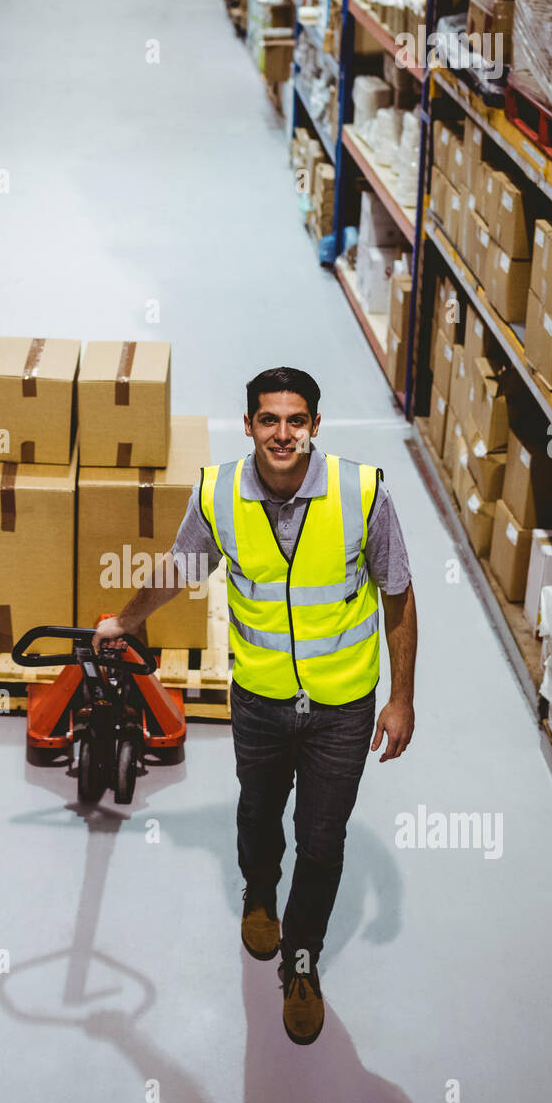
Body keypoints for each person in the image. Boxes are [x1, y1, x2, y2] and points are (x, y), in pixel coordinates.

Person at [92, 366, 417, 1046]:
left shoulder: (362, 493)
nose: (281, 433)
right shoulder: (218, 494)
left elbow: (396, 593)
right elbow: (180, 568)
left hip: (341, 704)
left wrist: (401, 699)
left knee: (323, 839)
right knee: (258, 812)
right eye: (267, 419)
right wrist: (125, 621)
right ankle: (259, 891)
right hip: (262, 700)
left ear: (315, 427)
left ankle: (301, 961)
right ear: (247, 426)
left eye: (295, 420)